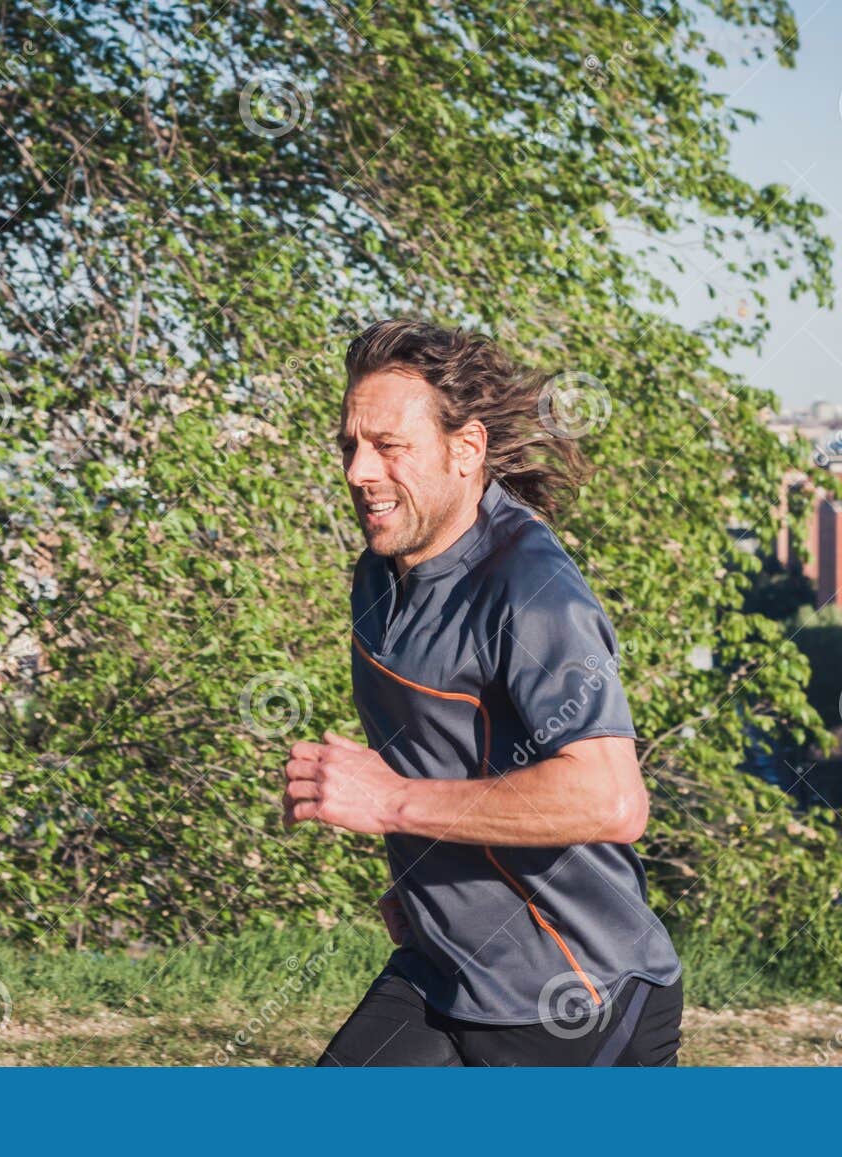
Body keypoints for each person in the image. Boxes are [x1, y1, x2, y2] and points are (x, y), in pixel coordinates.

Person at [282, 318, 683, 1066]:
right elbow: (446, 745)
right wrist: (422, 878)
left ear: (465, 450)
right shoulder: (380, 572)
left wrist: (391, 804)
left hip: (575, 996)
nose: (358, 472)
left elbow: (610, 800)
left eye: (389, 446)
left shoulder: (531, 590)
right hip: (446, 970)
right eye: (350, 445)